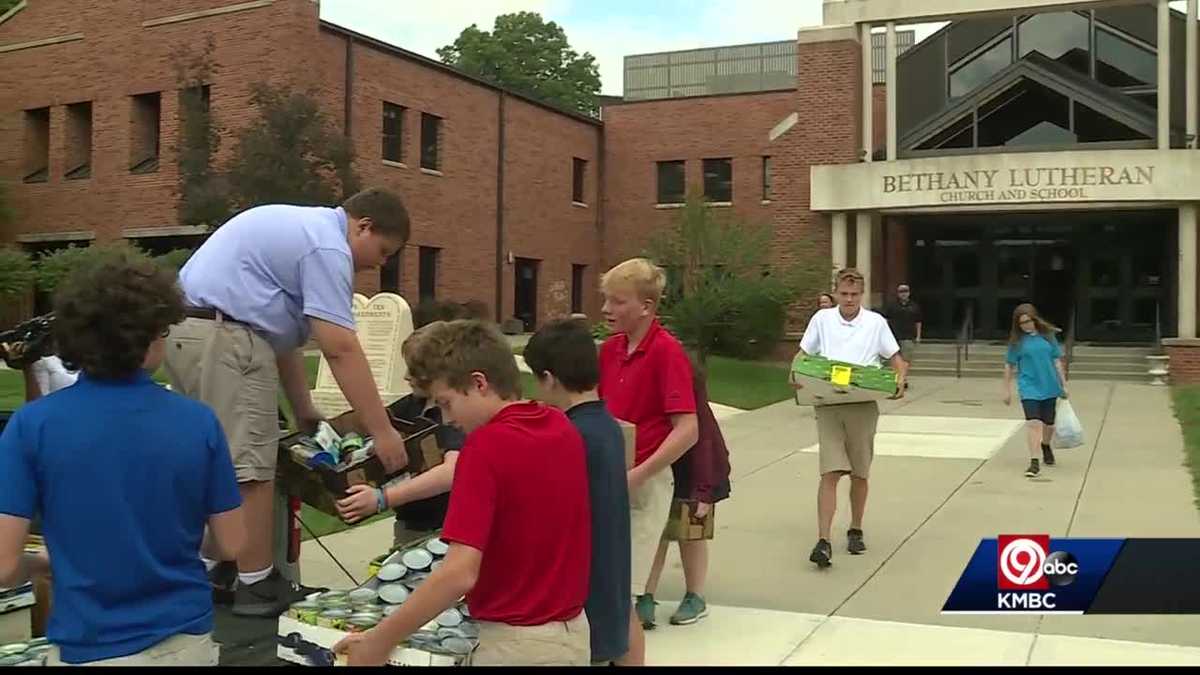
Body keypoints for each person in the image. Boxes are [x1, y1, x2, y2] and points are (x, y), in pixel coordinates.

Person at [165, 187, 412, 617]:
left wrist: (304, 409)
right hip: (226, 340)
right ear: (363, 226)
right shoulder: (326, 247)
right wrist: (383, 431)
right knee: (254, 470)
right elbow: (341, 348)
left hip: (201, 334)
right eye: (384, 250)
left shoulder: (304, 231)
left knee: (225, 463)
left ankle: (212, 567)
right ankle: (257, 585)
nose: (381, 263)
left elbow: (284, 338)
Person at [0, 248, 246, 665]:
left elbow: (4, 566)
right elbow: (233, 542)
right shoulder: (197, 421)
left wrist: (43, 563)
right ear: (148, 339)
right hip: (186, 642)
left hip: (88, 646)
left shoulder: (32, 426)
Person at [333, 320, 592, 666]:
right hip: (573, 633)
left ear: (479, 383)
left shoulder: (485, 446)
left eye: (447, 402)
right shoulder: (560, 425)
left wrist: (378, 641)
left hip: (516, 644)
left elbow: (458, 573)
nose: (446, 417)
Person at [597, 258, 699, 660]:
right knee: (601, 586)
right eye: (605, 300)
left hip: (645, 481)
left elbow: (687, 429)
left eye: (617, 301)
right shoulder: (609, 350)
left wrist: (637, 475)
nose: (606, 310)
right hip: (607, 476)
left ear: (647, 306)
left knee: (623, 597)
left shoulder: (666, 352)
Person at [524, 318, 632, 665]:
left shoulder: (570, 436)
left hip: (583, 601)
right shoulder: (607, 427)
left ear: (549, 378)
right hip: (610, 589)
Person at [792, 268, 906, 569]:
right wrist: (796, 376)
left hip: (863, 403)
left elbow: (896, 359)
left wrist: (899, 382)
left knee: (860, 472)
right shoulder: (822, 319)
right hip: (829, 403)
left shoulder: (875, 323)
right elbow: (802, 354)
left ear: (862, 294)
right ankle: (823, 540)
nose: (849, 299)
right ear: (836, 292)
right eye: (844, 294)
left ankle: (856, 528)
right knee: (829, 472)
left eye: (855, 295)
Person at [334, 300, 471, 546]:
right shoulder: (412, 405)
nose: (407, 376)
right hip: (411, 523)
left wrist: (382, 498)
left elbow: (452, 472)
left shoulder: (454, 414)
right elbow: (369, 427)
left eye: (415, 370)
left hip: (447, 530)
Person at [641, 356, 731, 627]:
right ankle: (645, 595)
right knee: (655, 532)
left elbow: (704, 445)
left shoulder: (694, 406)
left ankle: (695, 595)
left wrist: (703, 492)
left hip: (696, 473)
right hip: (662, 467)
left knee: (691, 533)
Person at [1002, 303, 1068, 478]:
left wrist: (1063, 383)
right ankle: (1034, 461)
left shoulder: (1048, 337)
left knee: (1049, 424)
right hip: (1028, 386)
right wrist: (1006, 389)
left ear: (1035, 319)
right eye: (1022, 323)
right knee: (1034, 423)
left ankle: (1046, 445)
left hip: (1049, 385)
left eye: (1028, 321)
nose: (1026, 325)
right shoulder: (1017, 343)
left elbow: (1056, 361)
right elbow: (1009, 365)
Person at [882, 284, 922, 381]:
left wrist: (918, 336)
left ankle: (902, 378)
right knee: (895, 359)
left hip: (908, 336)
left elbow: (918, 322)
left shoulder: (914, 306)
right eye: (901, 292)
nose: (903, 294)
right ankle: (899, 377)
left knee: (906, 359)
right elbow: (885, 320)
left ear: (909, 293)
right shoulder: (891, 306)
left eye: (905, 291)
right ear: (898, 293)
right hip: (894, 336)